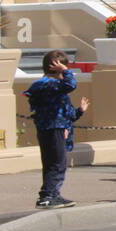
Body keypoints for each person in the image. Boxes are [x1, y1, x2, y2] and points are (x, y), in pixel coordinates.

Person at [24, 51, 89, 209]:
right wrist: (64, 71)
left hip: (53, 128)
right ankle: (47, 196)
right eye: (63, 66)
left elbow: (66, 114)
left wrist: (80, 111)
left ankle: (52, 194)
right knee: (57, 163)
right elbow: (71, 85)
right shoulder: (48, 84)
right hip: (53, 129)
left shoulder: (54, 88)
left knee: (54, 163)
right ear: (57, 67)